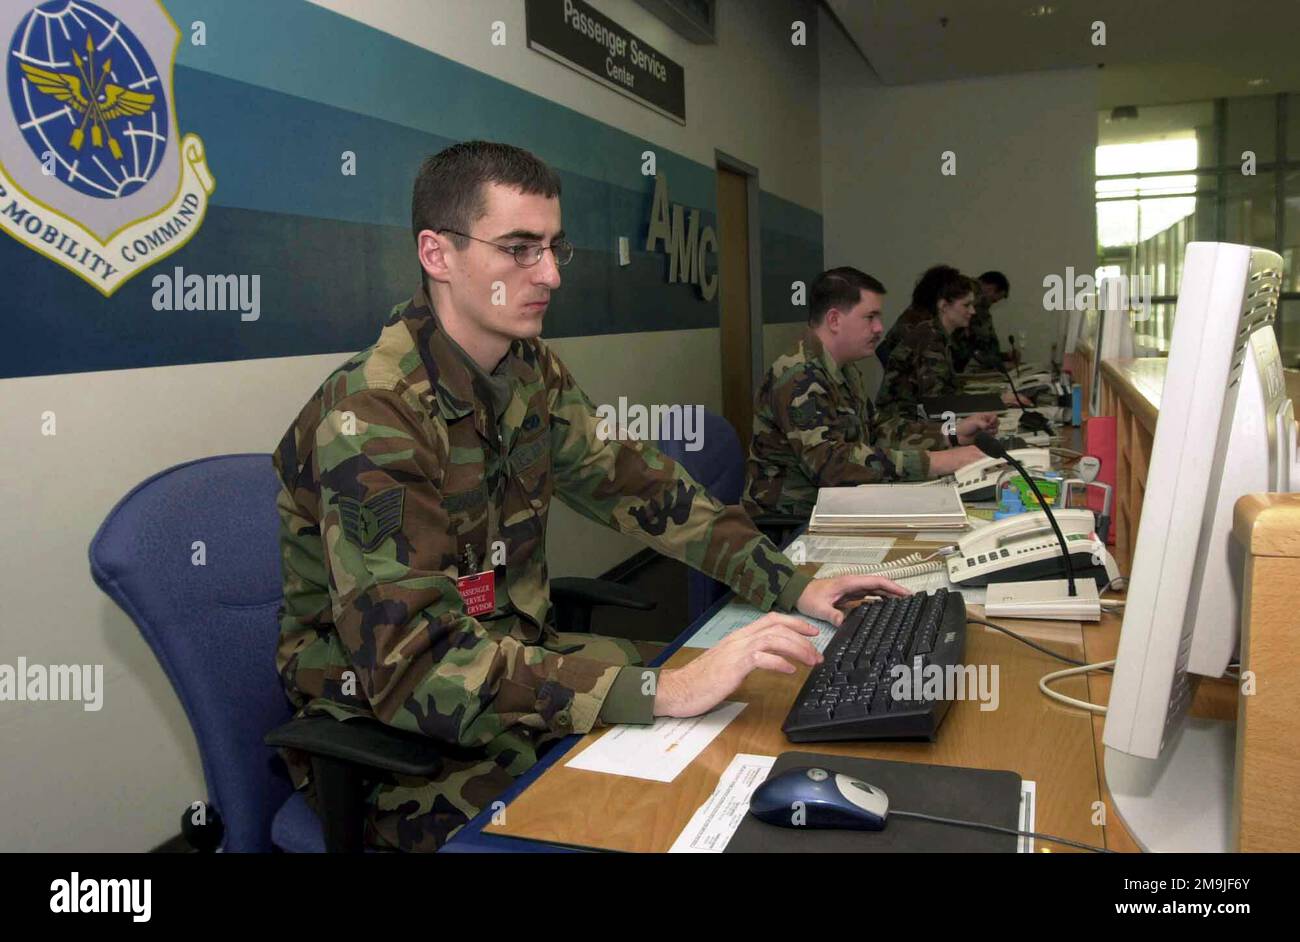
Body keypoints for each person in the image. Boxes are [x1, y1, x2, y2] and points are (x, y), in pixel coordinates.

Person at [271, 141, 908, 851]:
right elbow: (414, 665)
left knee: (744, 702)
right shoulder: (372, 417)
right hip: (394, 729)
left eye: (552, 247)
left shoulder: (527, 369)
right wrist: (665, 692)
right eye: (518, 248)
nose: (548, 274)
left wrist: (792, 585)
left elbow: (641, 486)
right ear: (437, 253)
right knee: (639, 804)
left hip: (508, 660)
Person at [744, 267, 992, 516]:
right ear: (834, 320)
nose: (879, 328)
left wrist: (951, 433)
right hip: (793, 523)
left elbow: (878, 429)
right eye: (870, 317)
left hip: (837, 505)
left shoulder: (844, 368)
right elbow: (833, 466)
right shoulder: (799, 376)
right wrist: (936, 461)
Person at [876, 266, 1026, 420]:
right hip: (901, 423)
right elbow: (939, 402)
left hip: (916, 419)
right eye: (966, 305)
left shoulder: (938, 334)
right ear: (944, 306)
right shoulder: (929, 338)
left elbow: (948, 390)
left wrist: (995, 399)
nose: (973, 312)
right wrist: (997, 402)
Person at [951, 270, 1010, 372]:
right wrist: (1001, 365)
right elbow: (982, 342)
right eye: (993, 300)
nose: (971, 311)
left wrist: (1004, 356)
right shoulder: (977, 301)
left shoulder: (962, 290)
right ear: (990, 289)